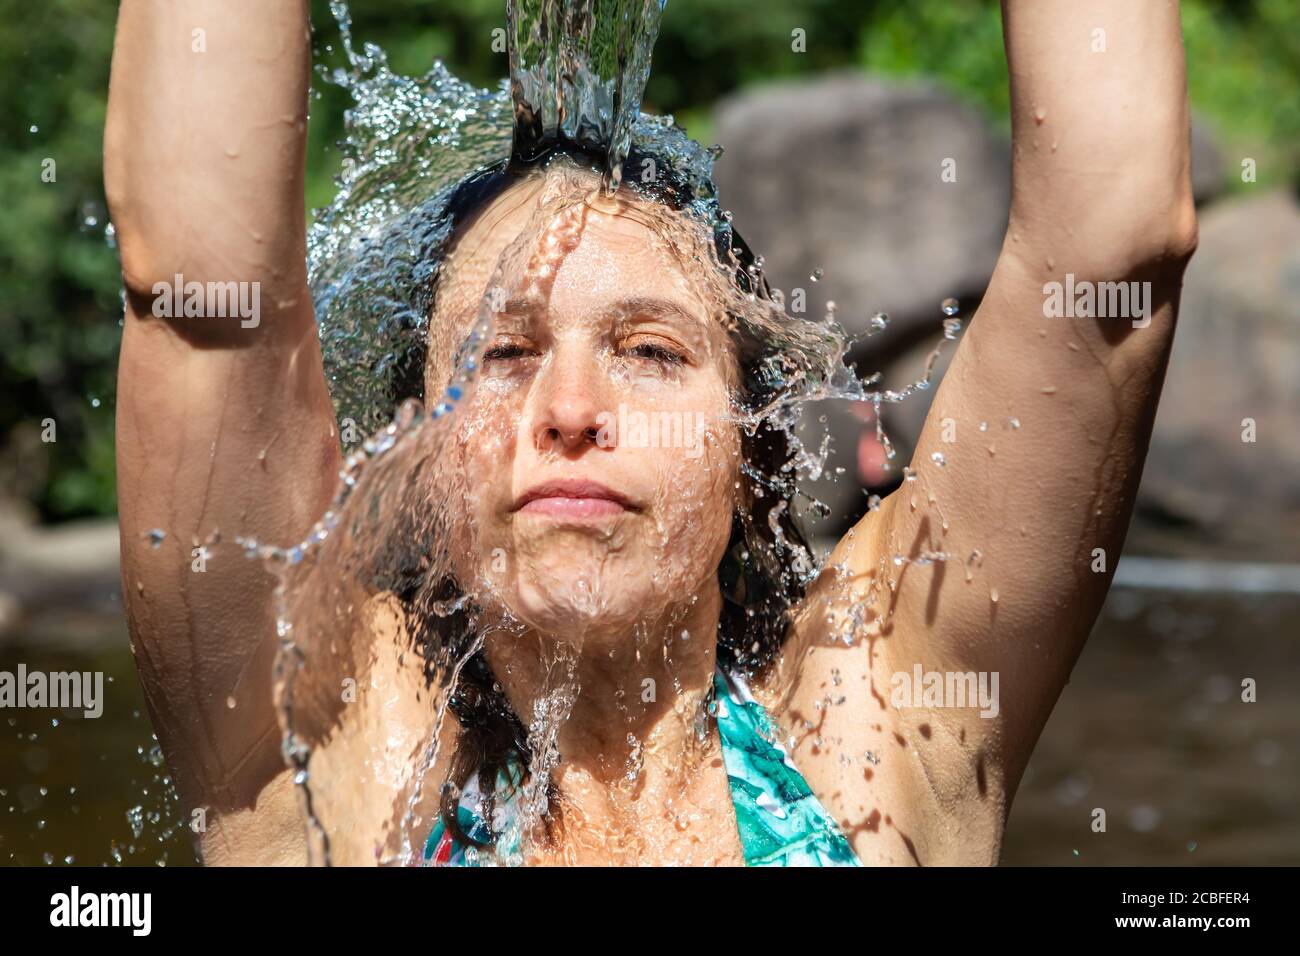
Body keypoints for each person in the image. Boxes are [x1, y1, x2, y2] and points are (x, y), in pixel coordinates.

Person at [106, 0, 1197, 866]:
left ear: (745, 442)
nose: (570, 409)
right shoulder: (333, 730)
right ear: (419, 450)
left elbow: (1108, 259)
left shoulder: (871, 723)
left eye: (651, 350)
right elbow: (205, 294)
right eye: (503, 352)